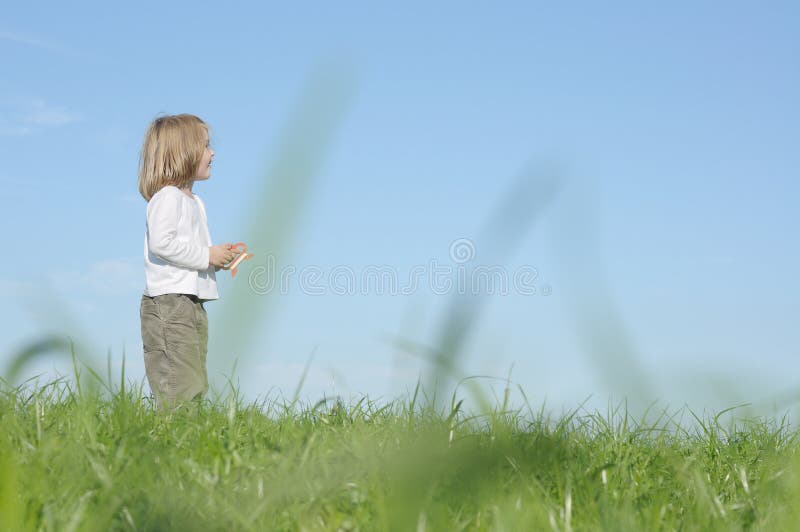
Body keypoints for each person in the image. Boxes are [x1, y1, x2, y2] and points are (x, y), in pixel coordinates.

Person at [137, 114, 239, 410]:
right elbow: (162, 243)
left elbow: (186, 248)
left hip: (191, 300)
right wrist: (207, 255)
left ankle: (187, 437)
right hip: (169, 302)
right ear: (184, 152)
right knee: (177, 377)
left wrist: (214, 257)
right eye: (206, 146)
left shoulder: (194, 202)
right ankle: (171, 439)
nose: (213, 152)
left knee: (194, 375)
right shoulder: (167, 197)